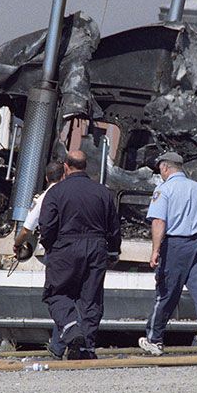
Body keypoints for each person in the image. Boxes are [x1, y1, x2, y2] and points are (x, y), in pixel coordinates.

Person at [38, 149, 120, 360]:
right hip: (96, 248)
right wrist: (113, 250)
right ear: (86, 167)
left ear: (66, 166)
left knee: (56, 293)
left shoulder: (56, 192)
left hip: (65, 247)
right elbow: (114, 226)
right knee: (91, 299)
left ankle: (71, 328)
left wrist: (50, 246)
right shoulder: (103, 192)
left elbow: (47, 226)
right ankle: (86, 347)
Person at [138, 151, 197, 356]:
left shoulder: (164, 190)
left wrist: (155, 251)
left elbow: (158, 221)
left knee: (166, 292)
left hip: (176, 246)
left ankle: (154, 339)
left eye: (160, 170)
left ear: (165, 167)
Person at [13, 160, 66, 356]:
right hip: (79, 250)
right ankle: (69, 342)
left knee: (58, 296)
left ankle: (59, 344)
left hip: (56, 252)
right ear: (64, 175)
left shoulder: (45, 197)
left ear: (46, 178)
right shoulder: (71, 193)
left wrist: (17, 244)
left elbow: (27, 227)